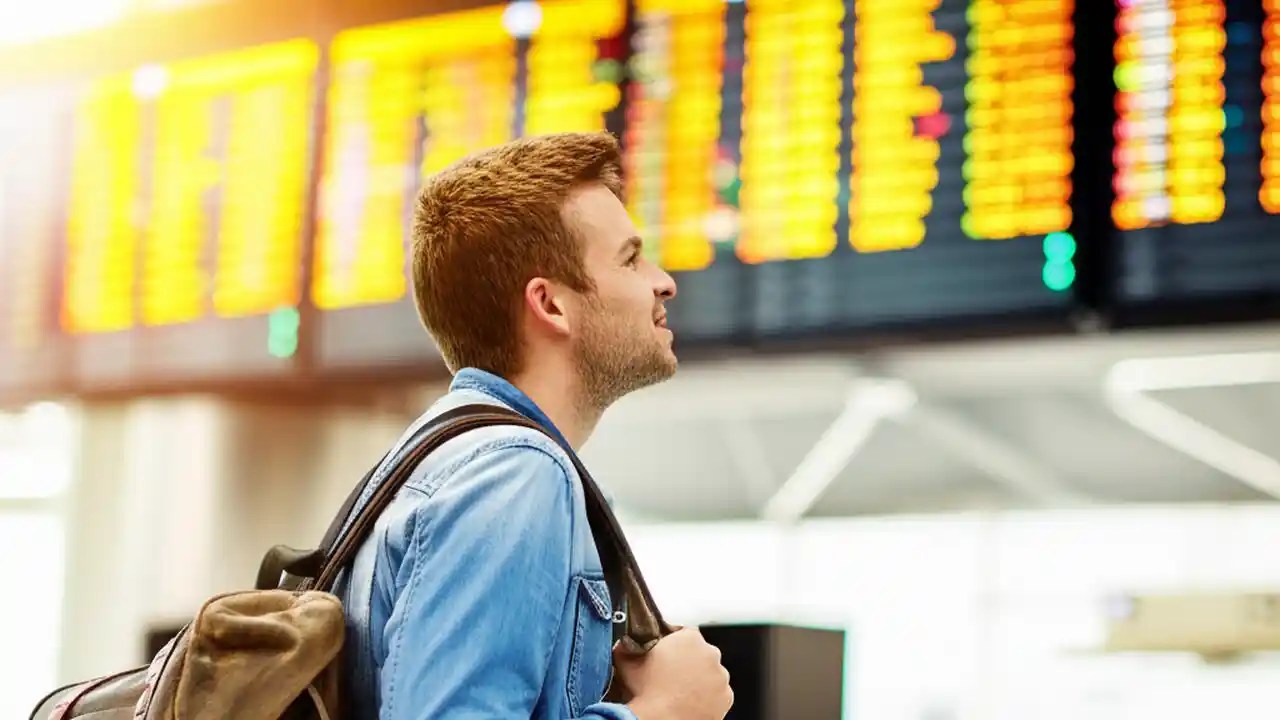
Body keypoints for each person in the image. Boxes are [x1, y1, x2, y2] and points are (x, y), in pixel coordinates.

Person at [334, 131, 734, 720]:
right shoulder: (513, 472)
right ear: (549, 304)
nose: (663, 281)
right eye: (630, 258)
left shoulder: (436, 457)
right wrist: (667, 709)